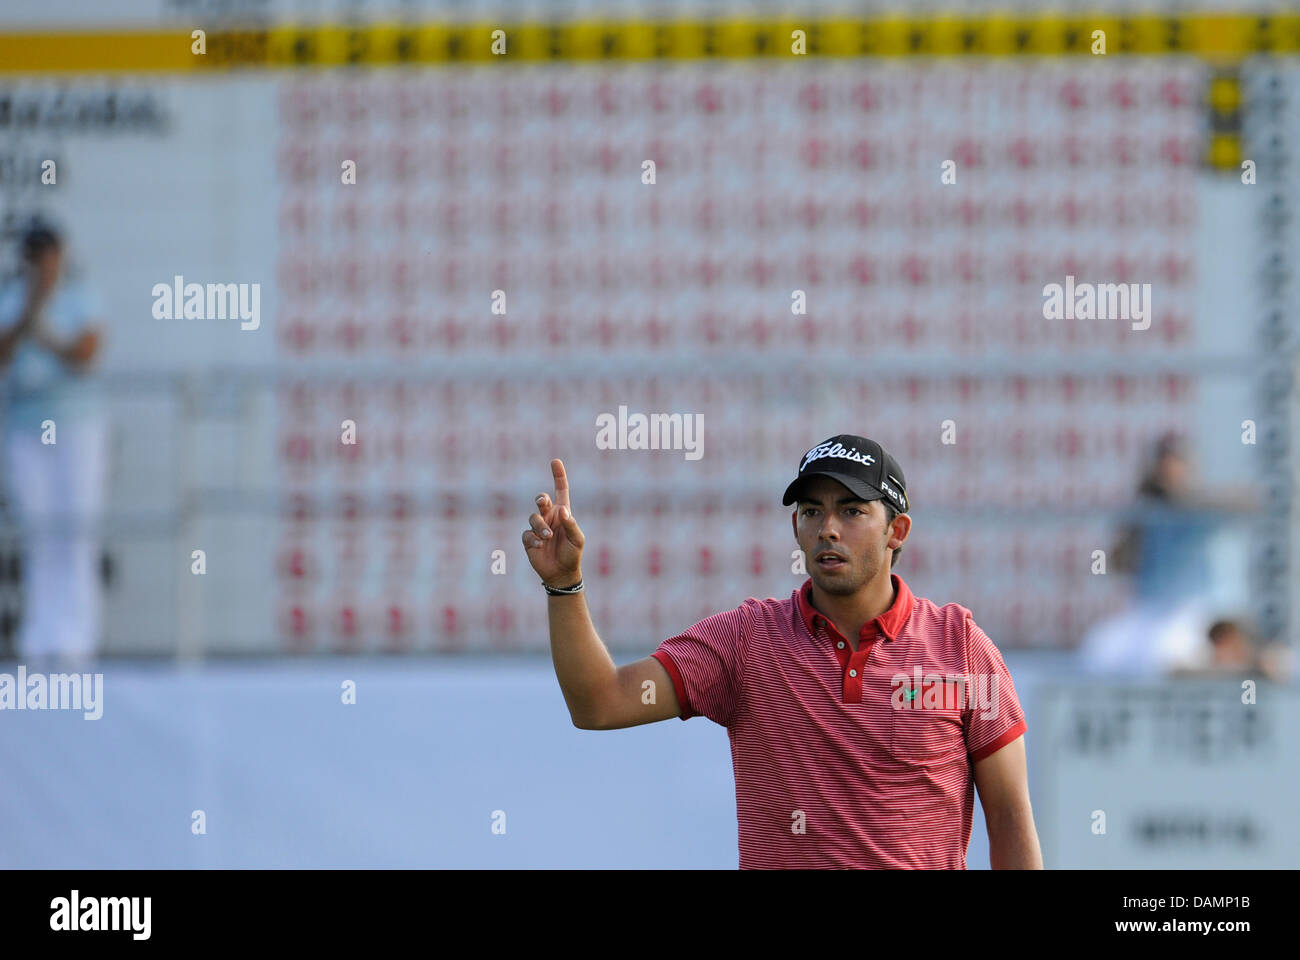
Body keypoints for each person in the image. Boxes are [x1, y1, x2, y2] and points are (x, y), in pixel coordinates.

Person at [521, 434, 1042, 869]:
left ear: (896, 531)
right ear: (797, 528)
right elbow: (599, 702)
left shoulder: (961, 647)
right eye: (812, 510)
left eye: (852, 510)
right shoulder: (749, 639)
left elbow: (1011, 820)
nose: (827, 528)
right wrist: (566, 585)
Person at [0, 221, 106, 669]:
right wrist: (28, 311)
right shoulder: (10, 300)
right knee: (40, 533)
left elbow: (86, 354)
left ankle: (77, 640)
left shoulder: (80, 298)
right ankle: (41, 638)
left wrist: (43, 331)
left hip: (74, 427)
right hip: (25, 426)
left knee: (76, 531)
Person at [1082, 432, 1257, 677]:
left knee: (1164, 654)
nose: (1168, 468)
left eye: (1175, 461)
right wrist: (1138, 519)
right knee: (1101, 652)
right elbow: (1114, 564)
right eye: (1163, 461)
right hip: (1152, 611)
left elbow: (1252, 502)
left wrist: (1184, 500)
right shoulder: (1148, 510)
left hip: (1203, 611)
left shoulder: (1205, 506)